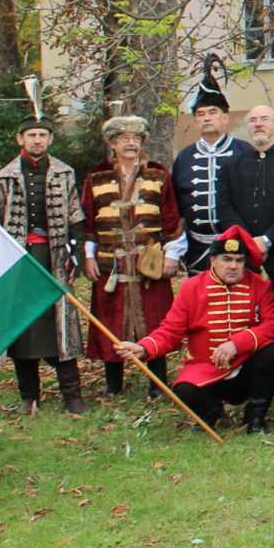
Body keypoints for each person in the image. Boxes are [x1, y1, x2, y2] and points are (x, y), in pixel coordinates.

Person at [114, 228, 274, 434]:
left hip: (245, 365)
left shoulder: (259, 285)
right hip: (206, 367)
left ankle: (255, 417)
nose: (233, 266)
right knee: (185, 390)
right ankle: (211, 414)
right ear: (212, 260)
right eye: (226, 259)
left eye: (239, 260)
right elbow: (170, 331)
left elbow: (272, 326)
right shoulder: (192, 287)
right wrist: (143, 348)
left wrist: (237, 344)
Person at [0, 110, 87, 415]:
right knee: (23, 328)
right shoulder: (4, 177)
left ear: (51, 139)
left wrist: (77, 253)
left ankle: (73, 396)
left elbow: (75, 217)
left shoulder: (64, 173)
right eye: (32, 135)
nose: (37, 140)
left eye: (42, 135)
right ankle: (29, 397)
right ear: (21, 139)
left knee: (61, 325)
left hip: (54, 257)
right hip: (18, 262)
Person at [81, 113, 185, 399]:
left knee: (155, 320)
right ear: (112, 143)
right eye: (124, 138)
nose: (131, 143)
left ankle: (157, 383)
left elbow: (172, 218)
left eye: (136, 138)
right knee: (110, 321)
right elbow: (88, 222)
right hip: (110, 263)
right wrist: (88, 257)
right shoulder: (97, 177)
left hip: (148, 262)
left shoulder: (158, 174)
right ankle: (113, 385)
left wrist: (172, 255)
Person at [169, 56, 241, 273]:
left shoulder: (243, 152)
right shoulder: (184, 157)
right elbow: (175, 205)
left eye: (213, 113)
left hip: (236, 248)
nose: (207, 118)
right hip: (196, 249)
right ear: (195, 121)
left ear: (225, 118)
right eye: (201, 114)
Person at [227, 104, 274, 284]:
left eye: (264, 119)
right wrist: (248, 241)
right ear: (247, 128)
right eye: (252, 120)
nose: (258, 124)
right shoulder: (230, 165)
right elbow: (223, 205)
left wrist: (267, 240)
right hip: (241, 250)